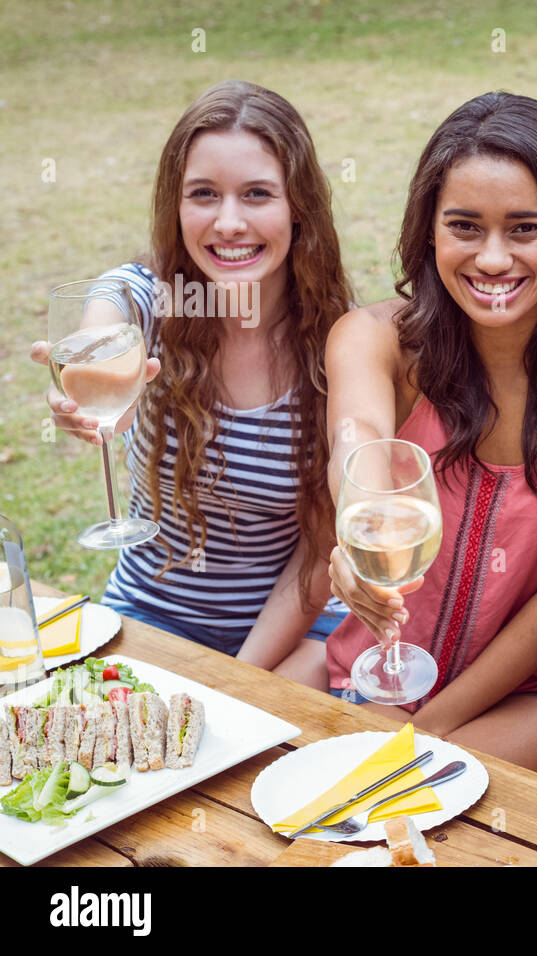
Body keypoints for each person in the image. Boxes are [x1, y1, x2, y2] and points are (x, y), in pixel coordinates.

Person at [319, 92, 537, 771]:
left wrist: (425, 730)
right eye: (465, 226)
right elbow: (359, 443)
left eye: (524, 228)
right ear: (429, 231)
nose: (493, 259)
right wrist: (361, 537)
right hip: (379, 670)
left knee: (426, 801)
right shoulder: (377, 341)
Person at [31, 80, 352, 682]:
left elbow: (317, 557)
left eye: (257, 194)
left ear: (298, 206)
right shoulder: (153, 299)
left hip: (289, 631)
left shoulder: (337, 346)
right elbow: (109, 310)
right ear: (175, 207)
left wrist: (237, 679)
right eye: (204, 194)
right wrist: (93, 378)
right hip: (149, 612)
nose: (228, 222)